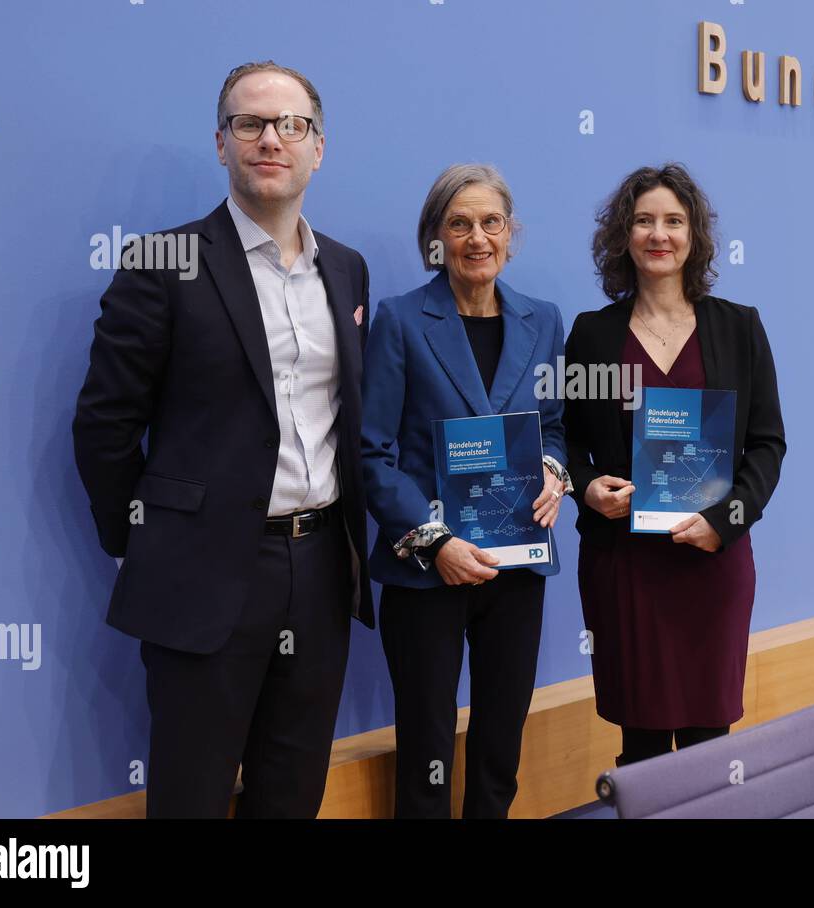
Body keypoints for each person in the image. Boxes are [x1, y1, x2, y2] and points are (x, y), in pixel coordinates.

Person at [72, 61, 373, 817]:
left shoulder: (346, 268)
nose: (271, 139)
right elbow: (105, 425)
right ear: (221, 143)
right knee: (192, 798)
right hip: (202, 578)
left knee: (292, 792)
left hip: (321, 569)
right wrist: (144, 541)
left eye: (291, 125)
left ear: (318, 147)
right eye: (250, 124)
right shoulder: (161, 262)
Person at [361, 163, 571, 818]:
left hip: (517, 568)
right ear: (436, 238)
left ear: (510, 234)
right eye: (459, 224)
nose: (476, 237)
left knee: (498, 747)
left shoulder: (545, 320)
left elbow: (557, 429)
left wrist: (558, 475)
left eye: (490, 222)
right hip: (428, 574)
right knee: (427, 751)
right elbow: (372, 453)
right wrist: (435, 542)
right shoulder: (399, 321)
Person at [564, 162, 786, 766]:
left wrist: (726, 519)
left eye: (673, 221)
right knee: (640, 742)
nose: (658, 234)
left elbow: (767, 444)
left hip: (711, 561)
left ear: (694, 235)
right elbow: (565, 443)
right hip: (626, 565)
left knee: (708, 739)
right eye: (643, 221)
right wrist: (586, 489)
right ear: (624, 236)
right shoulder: (592, 336)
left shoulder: (738, 328)